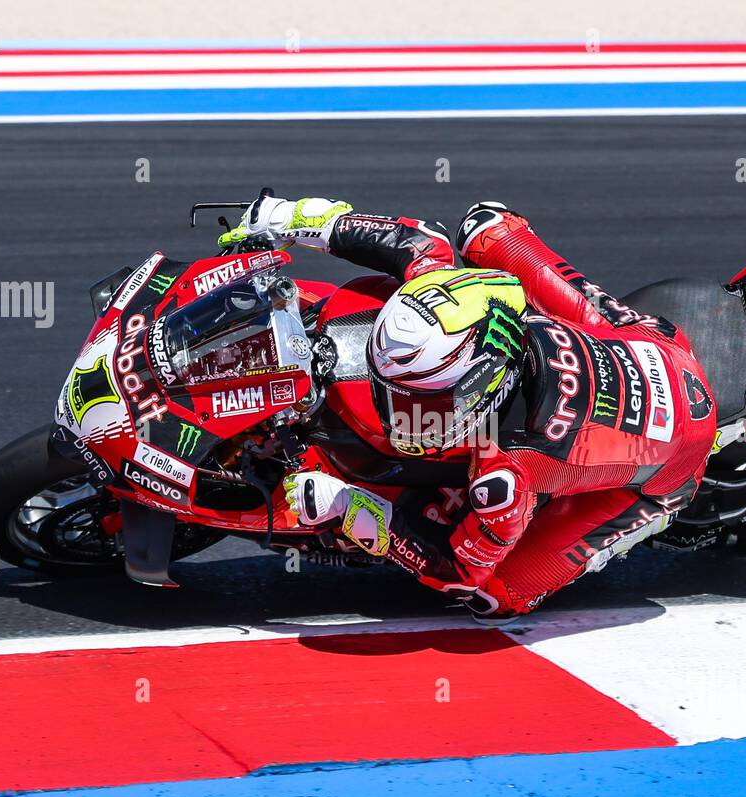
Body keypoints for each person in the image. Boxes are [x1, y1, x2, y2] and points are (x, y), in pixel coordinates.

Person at [218, 196, 718, 621]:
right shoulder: (461, 300)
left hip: (669, 467)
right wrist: (293, 218)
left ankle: (651, 511)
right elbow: (418, 242)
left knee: (494, 598)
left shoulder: (505, 477)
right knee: (487, 224)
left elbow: (456, 572)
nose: (403, 402)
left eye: (415, 392)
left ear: (473, 389)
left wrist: (350, 509)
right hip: (649, 342)